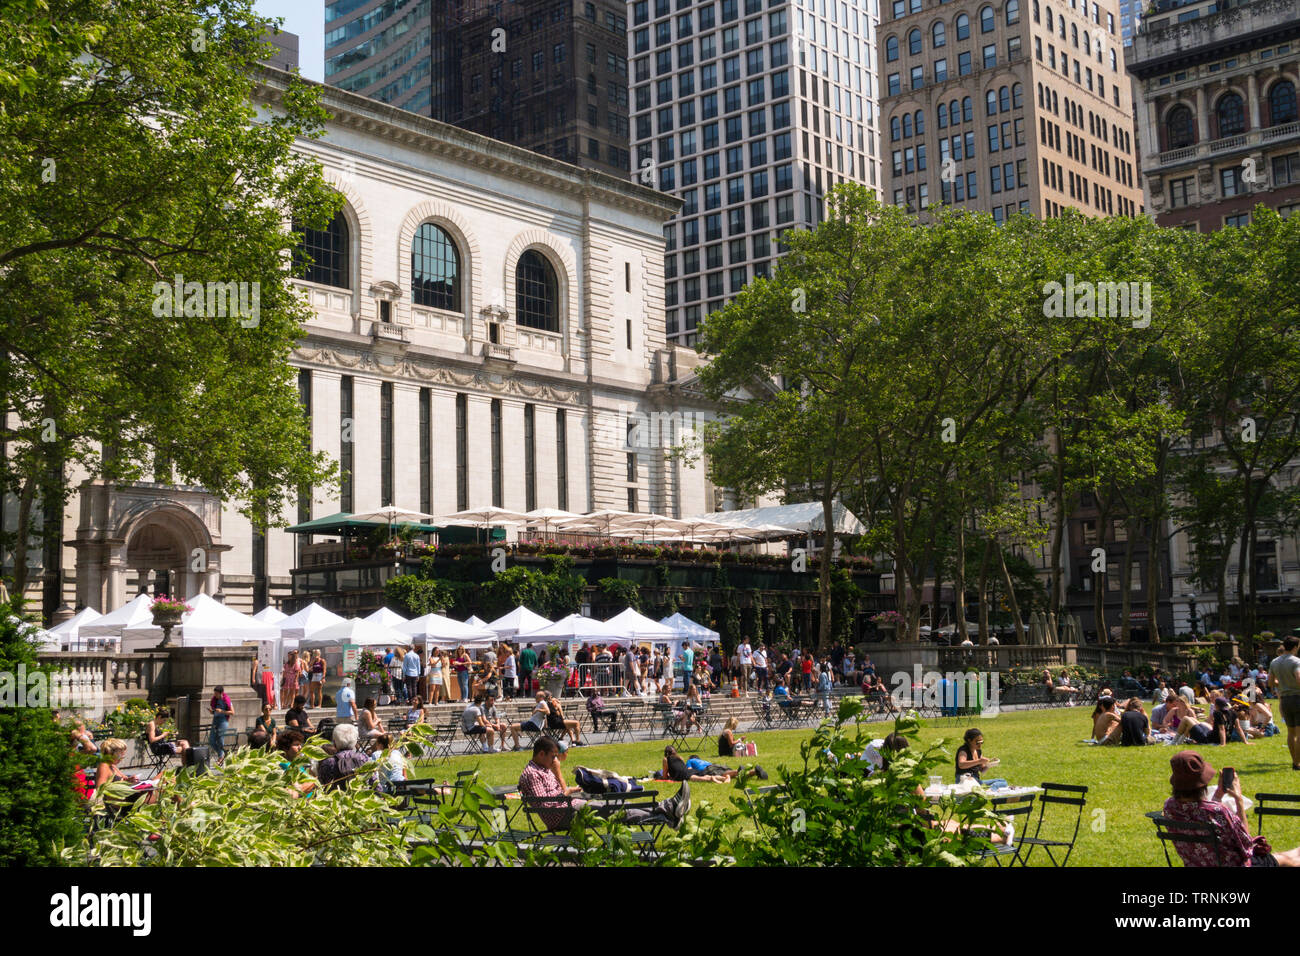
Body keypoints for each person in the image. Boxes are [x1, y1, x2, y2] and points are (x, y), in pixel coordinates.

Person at [517, 736, 690, 832]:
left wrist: (567, 789)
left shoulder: (543, 768)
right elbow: (547, 805)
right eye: (553, 755)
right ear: (541, 754)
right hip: (562, 816)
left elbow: (556, 795)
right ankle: (667, 812)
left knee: (619, 804)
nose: (555, 759)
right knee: (615, 810)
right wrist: (568, 793)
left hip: (570, 807)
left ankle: (666, 809)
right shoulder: (532, 774)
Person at [1160, 750, 1300, 866]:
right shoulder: (1218, 810)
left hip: (1198, 864)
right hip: (1235, 864)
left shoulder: (1170, 806)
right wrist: (1238, 800)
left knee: (1287, 855)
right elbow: (1247, 846)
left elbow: (1201, 812)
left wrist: (1218, 796)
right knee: (1287, 860)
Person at [1267, 634, 1300, 770]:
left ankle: (1294, 762)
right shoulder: (1296, 661)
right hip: (1298, 698)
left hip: (1285, 700)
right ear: (1294, 647)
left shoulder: (1274, 662)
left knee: (1291, 733)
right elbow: (1299, 679)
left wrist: (1282, 684)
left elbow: (1270, 682)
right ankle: (1298, 763)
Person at [94, 738, 159, 804]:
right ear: (112, 754)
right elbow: (100, 789)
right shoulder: (104, 766)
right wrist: (122, 786)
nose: (121, 759)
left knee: (163, 775)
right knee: (163, 787)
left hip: (131, 796)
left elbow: (124, 779)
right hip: (125, 801)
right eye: (120, 756)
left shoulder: (112, 766)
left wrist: (129, 780)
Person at [317, 723, 371, 790]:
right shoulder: (364, 758)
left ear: (334, 742)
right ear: (355, 741)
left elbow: (321, 785)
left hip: (335, 798)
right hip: (360, 797)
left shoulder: (329, 762)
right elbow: (374, 784)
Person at [275, 730, 316, 797]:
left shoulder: (295, 762)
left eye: (300, 744)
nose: (300, 748)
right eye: (296, 745)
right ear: (285, 748)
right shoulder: (285, 765)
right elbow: (298, 789)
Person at [209, 685, 233, 762]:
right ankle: (222, 754)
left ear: (221, 693)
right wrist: (212, 712)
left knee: (220, 739)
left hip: (223, 720)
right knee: (211, 740)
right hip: (215, 719)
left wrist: (222, 711)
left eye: (216, 693)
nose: (215, 695)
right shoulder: (214, 700)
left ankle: (221, 756)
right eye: (214, 693)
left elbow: (232, 712)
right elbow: (215, 710)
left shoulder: (226, 699)